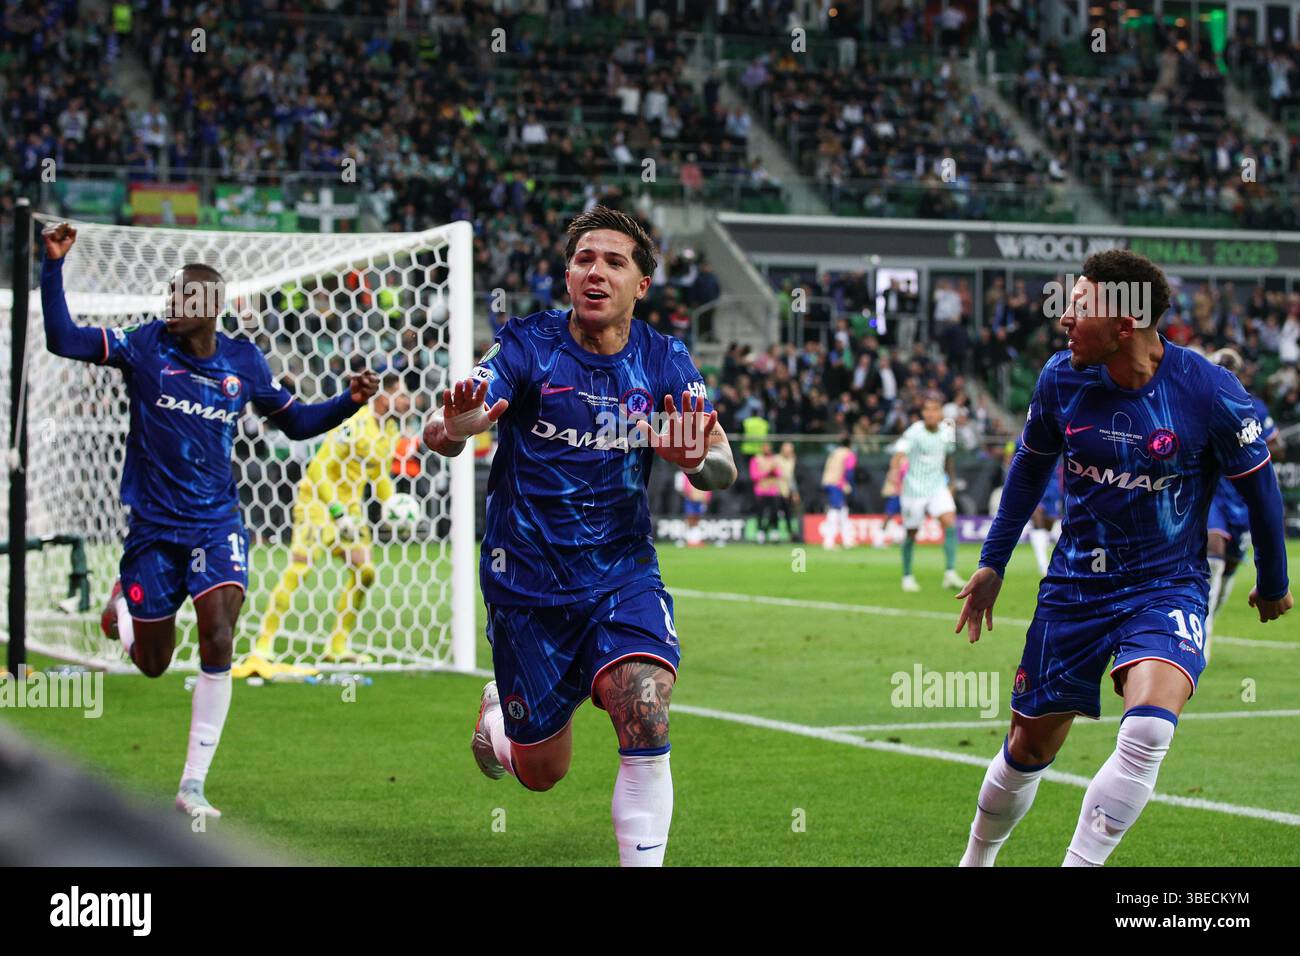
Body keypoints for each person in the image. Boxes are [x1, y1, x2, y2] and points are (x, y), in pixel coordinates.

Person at [423, 206, 737, 866]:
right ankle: (500, 725)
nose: (596, 271)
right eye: (584, 260)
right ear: (568, 274)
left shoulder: (665, 358)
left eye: (614, 261)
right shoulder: (526, 344)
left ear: (642, 283)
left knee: (645, 704)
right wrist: (454, 427)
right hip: (527, 583)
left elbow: (722, 466)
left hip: (621, 573)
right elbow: (455, 421)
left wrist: (693, 462)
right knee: (541, 771)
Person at [955, 250, 1291, 867]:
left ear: (1125, 325)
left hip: (1168, 585)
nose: (1064, 320)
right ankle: (975, 861)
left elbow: (1263, 492)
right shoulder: (1060, 380)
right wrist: (993, 562)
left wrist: (1274, 579)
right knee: (1027, 749)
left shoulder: (1210, 392)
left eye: (1078, 307)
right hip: (1077, 585)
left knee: (1148, 731)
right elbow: (1028, 472)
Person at [41, 222, 378, 819]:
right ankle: (125, 608)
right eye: (168, 295)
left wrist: (348, 402)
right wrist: (53, 266)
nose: (167, 304)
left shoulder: (243, 361)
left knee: (219, 631)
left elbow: (295, 423)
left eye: (178, 297)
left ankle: (192, 785)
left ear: (207, 308)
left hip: (216, 523)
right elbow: (63, 338)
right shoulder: (144, 347)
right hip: (151, 530)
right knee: (152, 663)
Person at [240, 376, 412, 673]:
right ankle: (263, 645)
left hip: (352, 509)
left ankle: (337, 646)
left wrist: (392, 505)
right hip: (318, 502)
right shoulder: (354, 423)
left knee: (365, 572)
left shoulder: (392, 430)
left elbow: (380, 474)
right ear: (384, 396)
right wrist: (335, 511)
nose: (409, 400)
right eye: (402, 394)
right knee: (300, 569)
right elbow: (318, 468)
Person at [1204, 348, 1285, 659]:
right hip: (1214, 493)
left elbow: (1275, 445)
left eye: (1229, 366)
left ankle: (1210, 612)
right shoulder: (1201, 401)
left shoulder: (1254, 406)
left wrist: (1255, 445)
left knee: (1231, 564)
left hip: (1243, 495)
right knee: (1214, 548)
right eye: (1220, 365)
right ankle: (1202, 634)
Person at [886, 395, 961, 591]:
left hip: (937, 487)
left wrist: (951, 482)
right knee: (911, 532)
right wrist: (894, 471)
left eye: (934, 409)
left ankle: (950, 573)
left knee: (950, 522)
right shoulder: (914, 432)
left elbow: (949, 457)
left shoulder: (947, 432)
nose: (930, 413)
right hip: (914, 490)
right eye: (926, 410)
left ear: (941, 413)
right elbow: (899, 454)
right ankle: (907, 576)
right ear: (922, 413)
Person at [820, 435, 857, 549]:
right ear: (850, 444)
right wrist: (848, 484)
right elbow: (849, 471)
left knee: (842, 510)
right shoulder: (849, 454)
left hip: (827, 481)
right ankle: (828, 541)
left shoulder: (834, 452)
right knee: (835, 509)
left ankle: (847, 540)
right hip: (838, 483)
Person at [749, 442, 783, 542]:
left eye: (768, 448)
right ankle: (760, 533)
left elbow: (780, 473)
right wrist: (767, 472)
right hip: (761, 490)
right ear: (761, 449)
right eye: (765, 448)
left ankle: (774, 532)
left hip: (773, 490)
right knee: (761, 513)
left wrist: (774, 472)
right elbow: (753, 476)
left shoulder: (774, 460)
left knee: (775, 513)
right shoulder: (756, 460)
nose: (767, 450)